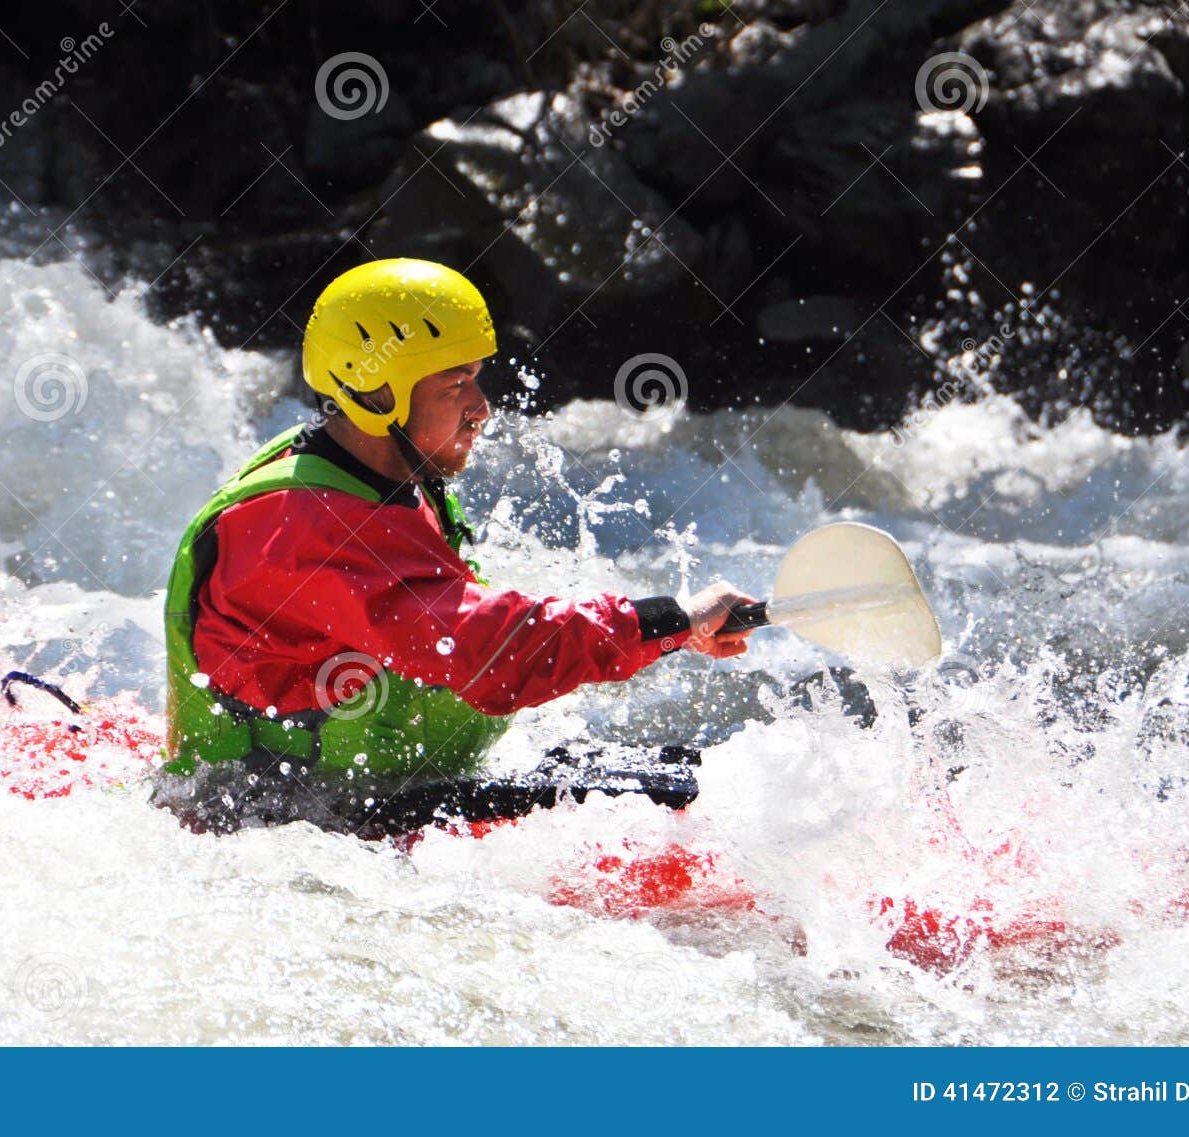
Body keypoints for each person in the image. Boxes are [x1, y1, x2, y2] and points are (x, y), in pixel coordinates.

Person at [154, 258, 761, 837]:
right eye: (456, 384)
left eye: (477, 377)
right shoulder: (304, 527)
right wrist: (672, 619)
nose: (482, 409)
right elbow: (483, 648)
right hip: (282, 814)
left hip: (369, 788)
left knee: (671, 768)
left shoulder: (370, 466)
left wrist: (671, 631)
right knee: (657, 795)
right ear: (375, 393)